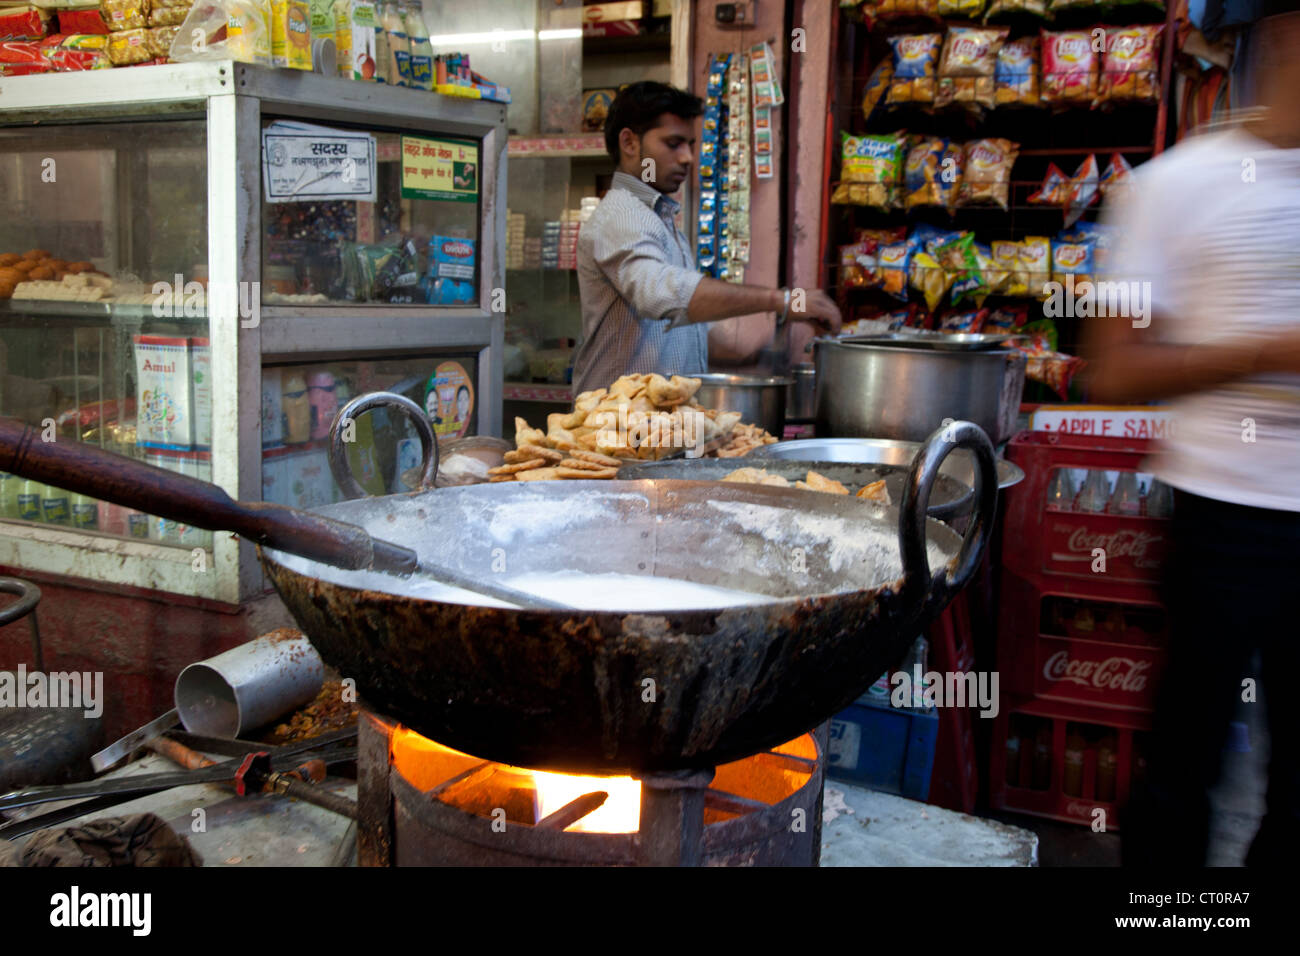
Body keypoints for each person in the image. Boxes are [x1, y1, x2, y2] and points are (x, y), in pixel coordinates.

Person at [1084, 4, 1300, 867]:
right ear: (1281, 36)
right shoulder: (1171, 186)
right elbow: (1113, 369)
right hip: (1222, 514)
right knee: (1186, 764)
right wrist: (1268, 352)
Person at [572, 81, 841, 396]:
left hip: (653, 426)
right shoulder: (623, 214)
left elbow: (682, 328)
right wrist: (781, 300)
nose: (687, 157)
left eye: (691, 144)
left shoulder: (660, 218)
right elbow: (659, 293)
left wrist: (776, 335)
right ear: (630, 143)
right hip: (615, 429)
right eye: (673, 144)